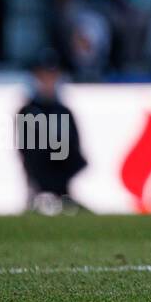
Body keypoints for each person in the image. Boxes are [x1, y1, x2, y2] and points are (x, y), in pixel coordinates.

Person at [16, 48, 88, 214]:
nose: (48, 81)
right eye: (44, 77)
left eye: (52, 76)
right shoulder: (28, 112)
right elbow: (29, 154)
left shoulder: (64, 112)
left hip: (64, 189)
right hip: (39, 189)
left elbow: (74, 151)